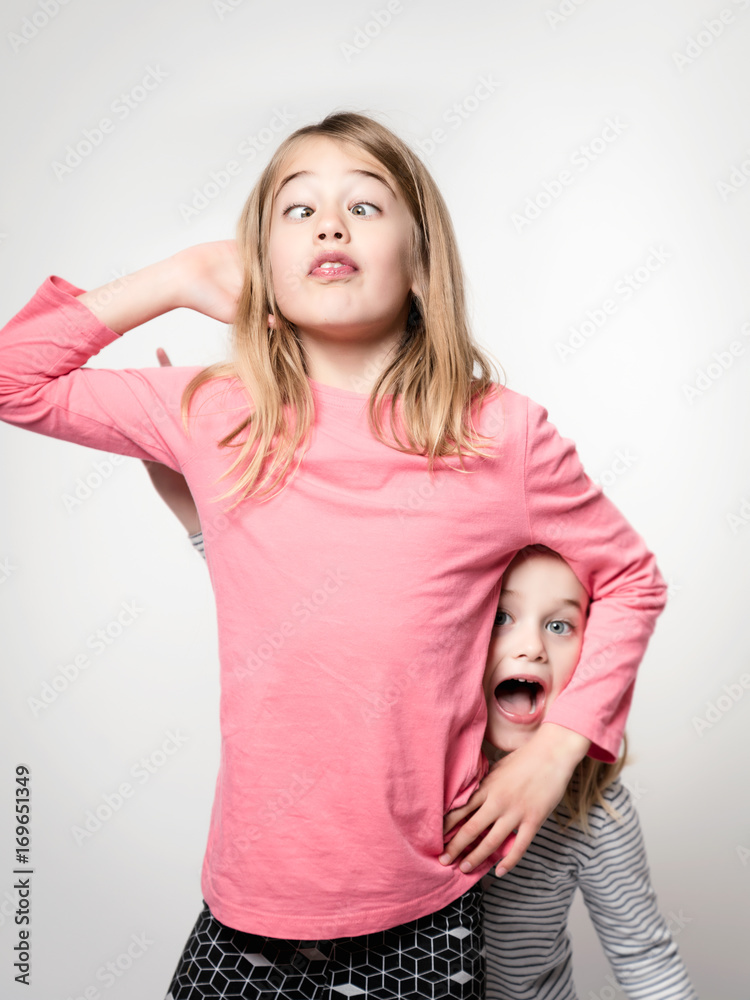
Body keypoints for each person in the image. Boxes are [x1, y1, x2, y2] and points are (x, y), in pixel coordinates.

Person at [0, 111, 667, 998]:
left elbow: (629, 577)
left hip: (426, 907)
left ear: (422, 266)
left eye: (365, 205)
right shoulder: (210, 410)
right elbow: (15, 378)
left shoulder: (500, 434)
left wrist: (558, 748)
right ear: (263, 269)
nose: (330, 224)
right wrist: (180, 276)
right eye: (296, 208)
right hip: (247, 901)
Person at [479, 545, 697, 1000]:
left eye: (558, 626)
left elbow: (643, 957)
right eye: (502, 617)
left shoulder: (595, 809)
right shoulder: (408, 773)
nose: (531, 648)